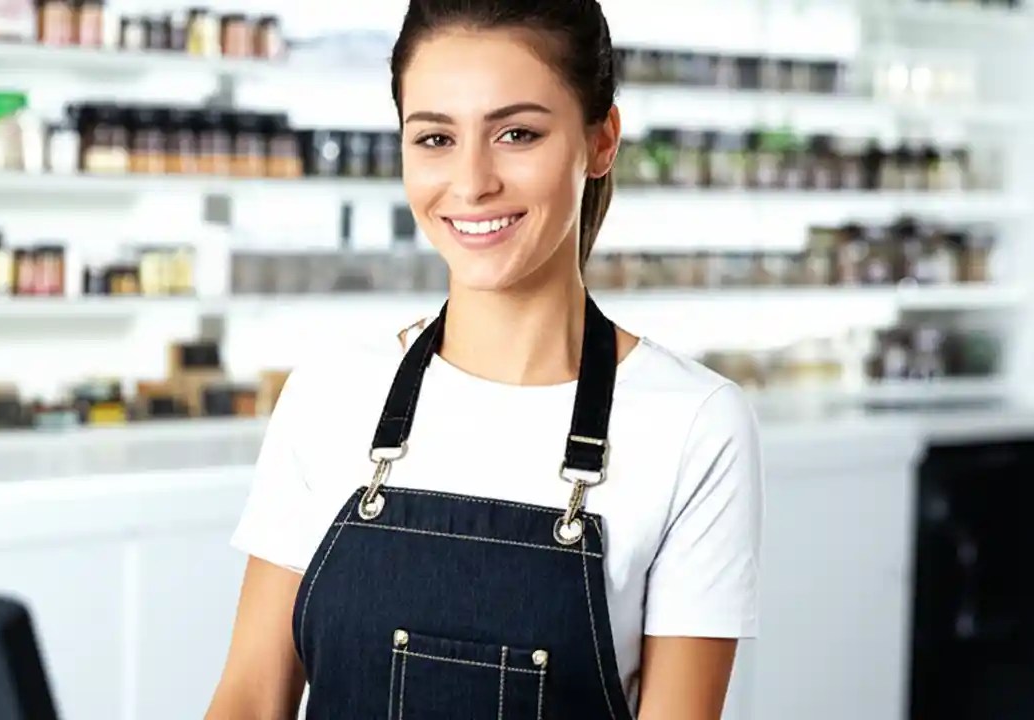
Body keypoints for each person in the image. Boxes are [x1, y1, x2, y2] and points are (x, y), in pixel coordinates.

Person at [206, 0, 763, 717]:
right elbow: (249, 700)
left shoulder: (694, 425)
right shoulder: (330, 394)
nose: (471, 183)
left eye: (516, 133)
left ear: (601, 141)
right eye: (435, 138)